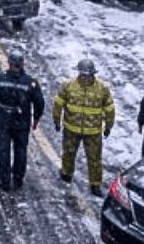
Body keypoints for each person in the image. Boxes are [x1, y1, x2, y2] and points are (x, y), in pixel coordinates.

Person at [52, 59, 115, 197]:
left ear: (93, 74)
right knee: (68, 153)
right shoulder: (68, 86)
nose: (85, 77)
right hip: (71, 129)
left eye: (88, 75)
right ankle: (66, 174)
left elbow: (109, 108)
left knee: (94, 159)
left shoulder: (102, 89)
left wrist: (109, 125)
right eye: (83, 74)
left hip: (93, 132)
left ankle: (95, 184)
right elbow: (58, 104)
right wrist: (56, 120)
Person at [0, 50, 44, 192]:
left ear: (9, 63)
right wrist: (36, 118)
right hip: (21, 121)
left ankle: (5, 181)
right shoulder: (31, 83)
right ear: (22, 64)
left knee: (3, 150)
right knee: (20, 150)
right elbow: (39, 102)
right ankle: (18, 179)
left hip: (3, 120)